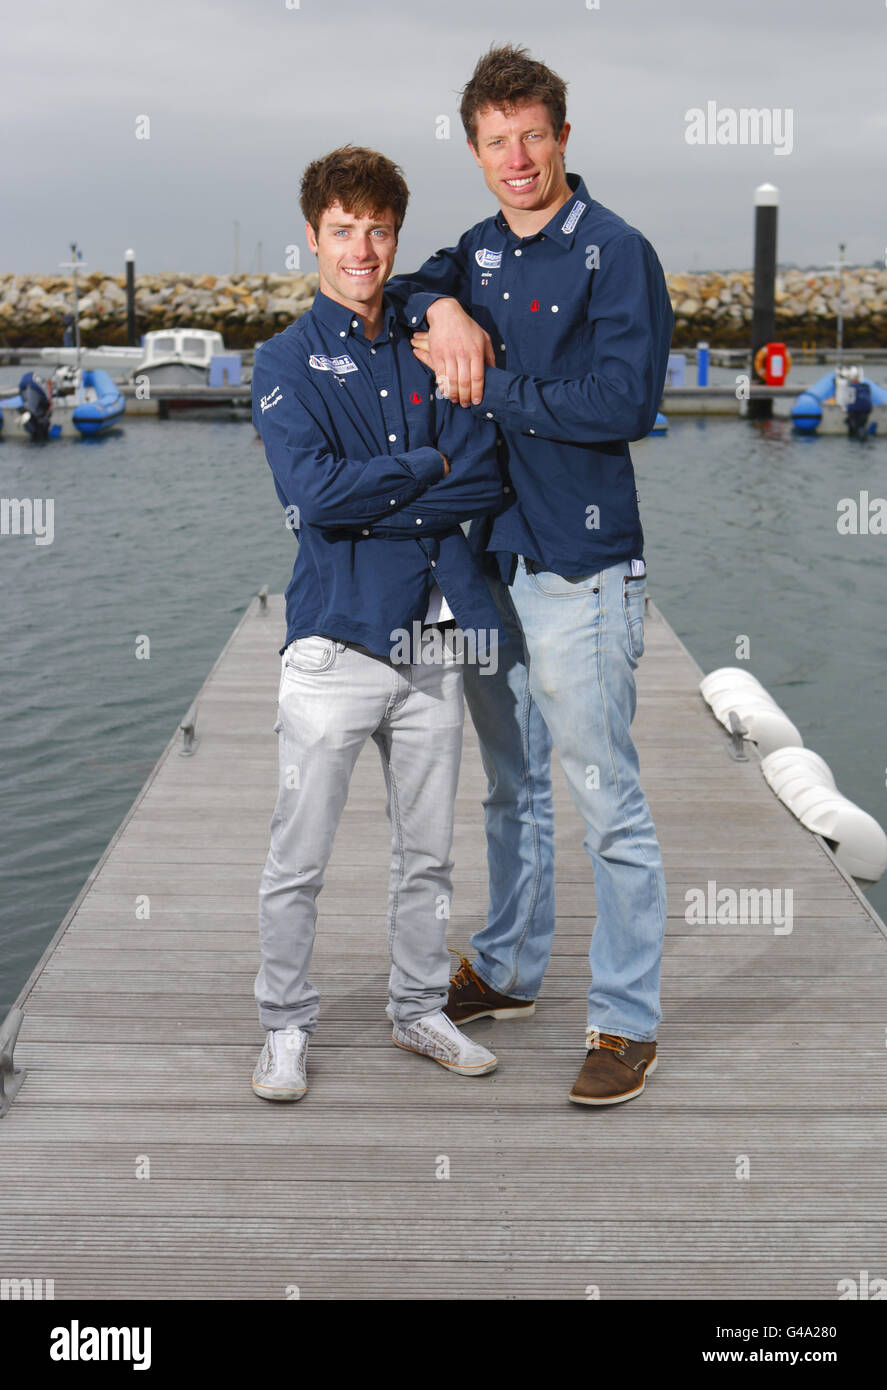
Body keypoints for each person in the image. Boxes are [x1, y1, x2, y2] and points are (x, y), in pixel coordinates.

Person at [386, 44, 675, 1106]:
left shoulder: (615, 251)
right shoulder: (472, 252)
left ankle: (624, 1021)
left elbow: (618, 404)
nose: (516, 157)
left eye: (531, 134)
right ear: (475, 150)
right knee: (509, 784)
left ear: (562, 135)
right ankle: (507, 966)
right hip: (486, 561)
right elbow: (414, 283)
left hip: (580, 561)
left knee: (606, 801)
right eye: (494, 140)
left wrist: (490, 382)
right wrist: (438, 312)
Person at [250, 145, 509, 1100]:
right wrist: (428, 470)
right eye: (344, 230)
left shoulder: (432, 342)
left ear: (397, 237)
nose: (363, 249)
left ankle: (415, 1008)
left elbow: (484, 471)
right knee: (299, 855)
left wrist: (405, 485)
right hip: (334, 641)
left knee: (427, 852)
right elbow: (313, 497)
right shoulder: (283, 359)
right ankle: (282, 1025)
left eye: (379, 231)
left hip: (434, 641)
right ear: (313, 237)